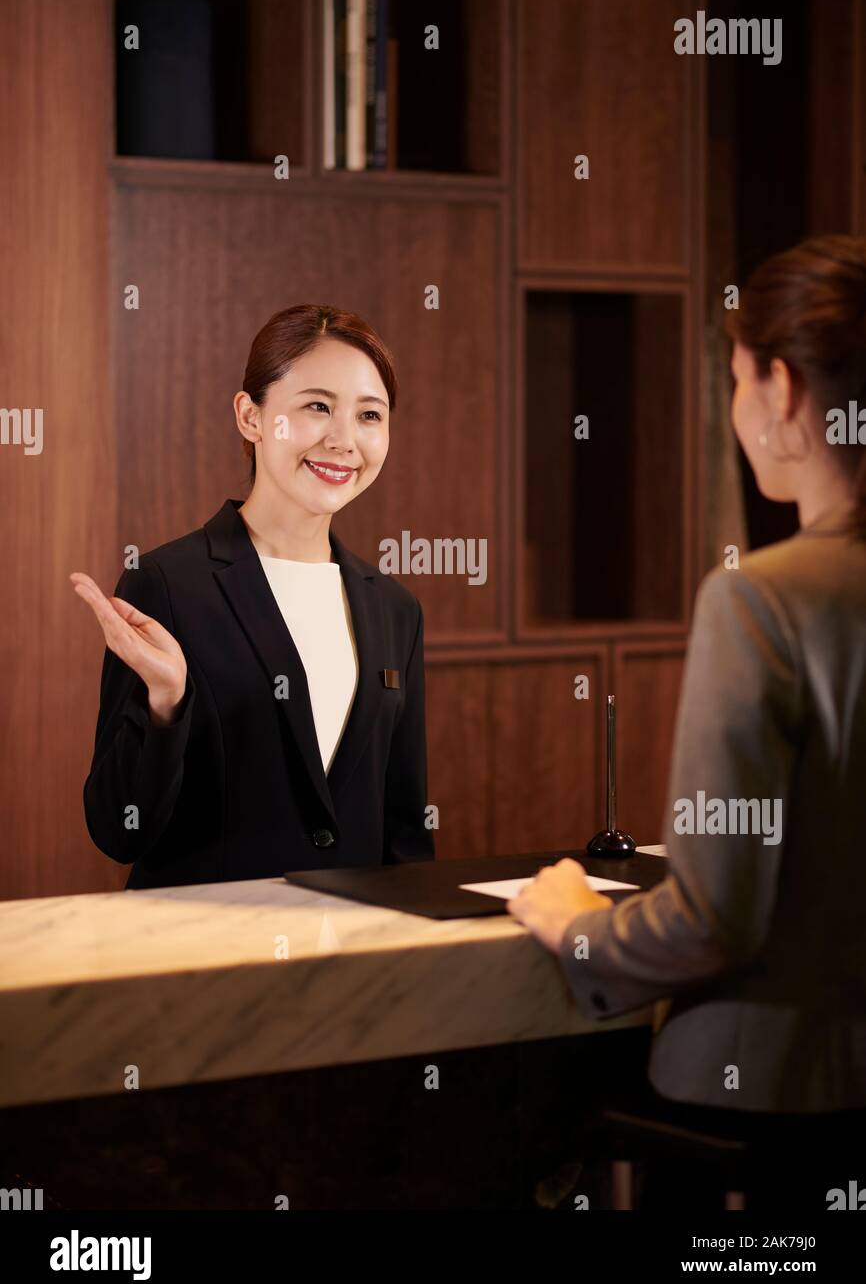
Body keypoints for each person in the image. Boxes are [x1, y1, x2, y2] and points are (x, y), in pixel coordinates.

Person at [509, 235, 866, 1122]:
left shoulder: (760, 600)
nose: (740, 407)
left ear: (780, 388)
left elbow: (712, 921)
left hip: (777, 1090)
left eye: (738, 380)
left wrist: (576, 923)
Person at [72, 305, 432, 889]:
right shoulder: (165, 584)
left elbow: (406, 833)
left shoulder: (396, 609)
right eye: (317, 406)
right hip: (209, 961)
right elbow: (119, 831)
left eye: (370, 415)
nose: (343, 440)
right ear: (251, 417)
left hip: (354, 961)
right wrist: (166, 702)